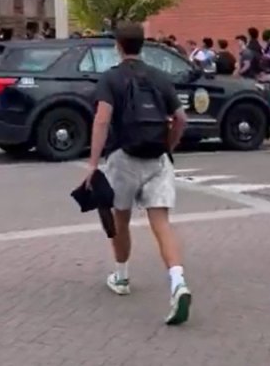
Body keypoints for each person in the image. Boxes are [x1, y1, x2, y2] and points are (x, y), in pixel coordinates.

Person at [82, 21, 192, 326]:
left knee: (121, 220)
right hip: (157, 157)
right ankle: (178, 282)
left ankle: (121, 275)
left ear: (117, 46)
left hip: (123, 157)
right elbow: (180, 119)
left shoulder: (111, 79)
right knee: (162, 224)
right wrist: (167, 146)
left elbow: (102, 120)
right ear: (142, 44)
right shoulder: (159, 77)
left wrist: (93, 164)